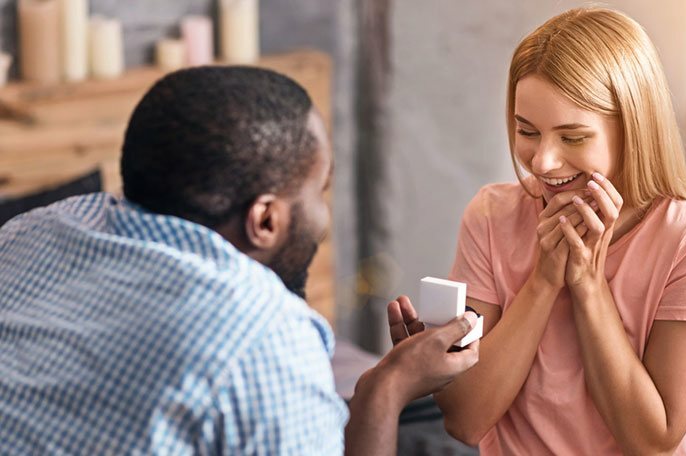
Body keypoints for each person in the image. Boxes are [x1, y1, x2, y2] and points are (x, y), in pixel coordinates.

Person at [0, 66, 479, 455]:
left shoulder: (32, 230)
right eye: (320, 190)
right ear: (265, 219)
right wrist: (387, 389)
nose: (323, 214)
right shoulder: (263, 336)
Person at [434, 7, 686, 455]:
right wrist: (543, 280)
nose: (542, 162)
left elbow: (653, 442)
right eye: (527, 130)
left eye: (573, 138)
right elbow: (466, 419)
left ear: (632, 127)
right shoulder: (491, 216)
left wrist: (588, 284)